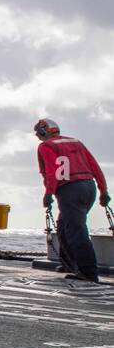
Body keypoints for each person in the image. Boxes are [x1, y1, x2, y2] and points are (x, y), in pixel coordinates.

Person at [34, 118, 109, 283]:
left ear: (43, 132)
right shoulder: (76, 142)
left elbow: (51, 172)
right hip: (88, 188)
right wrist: (103, 190)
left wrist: (48, 194)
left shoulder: (46, 146)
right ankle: (69, 264)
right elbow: (94, 166)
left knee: (76, 231)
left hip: (70, 190)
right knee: (63, 227)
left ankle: (88, 271)